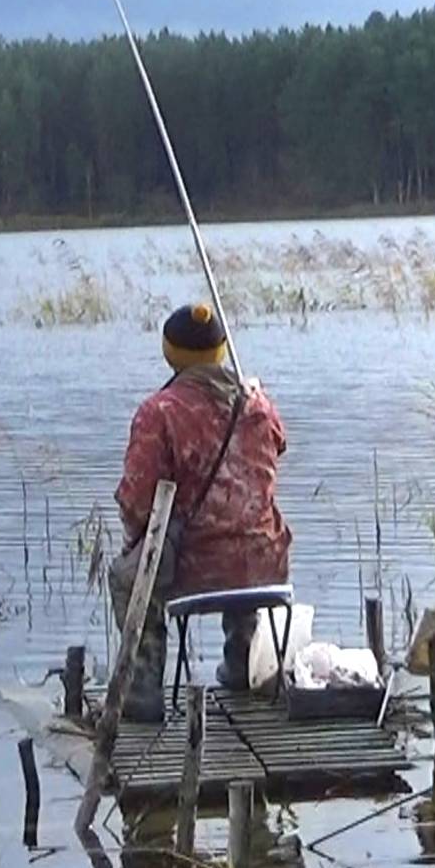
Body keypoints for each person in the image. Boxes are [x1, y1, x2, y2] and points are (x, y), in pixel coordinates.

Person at [110, 303, 291, 720]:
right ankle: (242, 664)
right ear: (222, 352)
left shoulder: (159, 412)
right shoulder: (258, 403)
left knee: (127, 575)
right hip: (265, 561)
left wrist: (135, 545)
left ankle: (142, 695)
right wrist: (255, 397)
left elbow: (136, 501)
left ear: (169, 353)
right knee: (243, 541)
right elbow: (279, 444)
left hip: (196, 568)